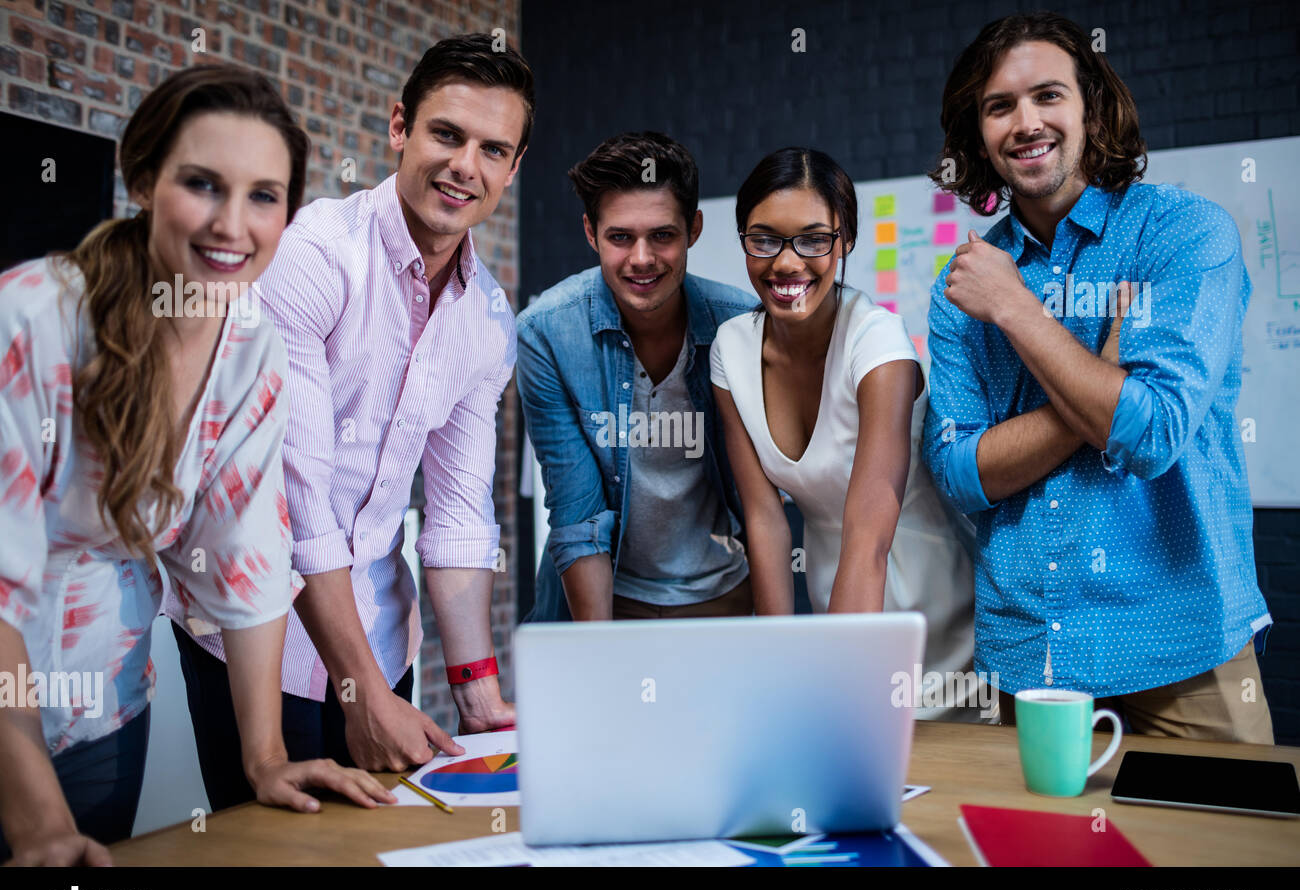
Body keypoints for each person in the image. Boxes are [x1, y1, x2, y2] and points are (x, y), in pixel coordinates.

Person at [0, 64, 394, 867]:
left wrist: (264, 759)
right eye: (203, 185)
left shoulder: (250, 346)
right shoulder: (32, 319)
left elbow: (246, 554)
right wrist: (35, 818)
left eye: (263, 196)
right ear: (143, 180)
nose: (232, 225)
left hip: (105, 709)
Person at [169, 35, 527, 809]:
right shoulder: (311, 255)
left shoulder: (492, 320)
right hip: (257, 632)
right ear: (400, 127)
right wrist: (359, 691)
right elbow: (296, 496)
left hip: (379, 631)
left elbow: (460, 511)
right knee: (275, 851)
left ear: (512, 168)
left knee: (372, 852)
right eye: (446, 134)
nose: (466, 165)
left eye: (492, 149)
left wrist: (476, 689)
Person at [922, 12, 1273, 743]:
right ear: (977, 134)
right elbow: (959, 473)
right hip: (1028, 658)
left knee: (1225, 852)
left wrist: (1018, 311)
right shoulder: (963, 287)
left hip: (1184, 652)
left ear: (1092, 108)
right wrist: (1100, 383)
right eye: (999, 106)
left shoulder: (1185, 234)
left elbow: (1150, 433)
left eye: (1048, 95)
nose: (1026, 122)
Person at [710, 147, 985, 721]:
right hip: (833, 596)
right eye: (764, 239)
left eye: (813, 239)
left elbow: (868, 533)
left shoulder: (877, 341)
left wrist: (837, 687)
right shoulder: (731, 350)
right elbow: (764, 521)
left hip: (926, 610)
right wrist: (778, 662)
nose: (787, 263)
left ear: (846, 240)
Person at [517, 132, 756, 622]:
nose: (642, 259)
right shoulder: (547, 332)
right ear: (591, 233)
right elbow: (575, 513)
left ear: (694, 229)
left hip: (720, 600)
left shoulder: (741, 324)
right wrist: (606, 659)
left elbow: (762, 502)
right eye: (620, 237)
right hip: (601, 603)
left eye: (662, 235)